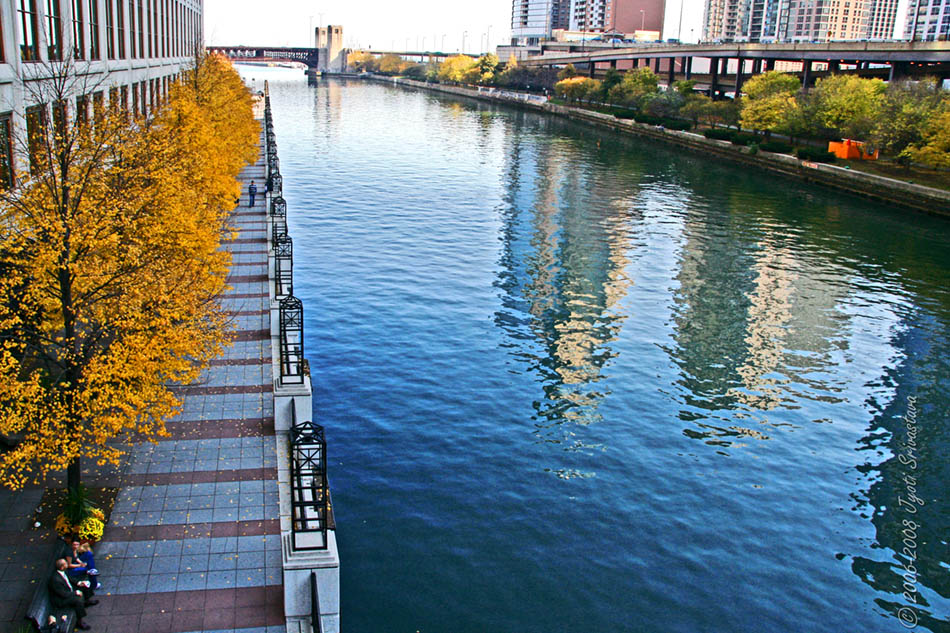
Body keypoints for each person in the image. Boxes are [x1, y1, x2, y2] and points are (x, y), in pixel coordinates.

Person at [49, 558, 96, 630]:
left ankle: (87, 601)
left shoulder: (64, 571)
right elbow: (63, 594)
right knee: (78, 600)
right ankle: (80, 621)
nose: (67, 564)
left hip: (69, 590)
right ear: (62, 567)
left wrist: (79, 583)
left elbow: (70, 579)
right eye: (66, 564)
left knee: (84, 586)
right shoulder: (56, 580)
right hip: (62, 600)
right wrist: (75, 593)